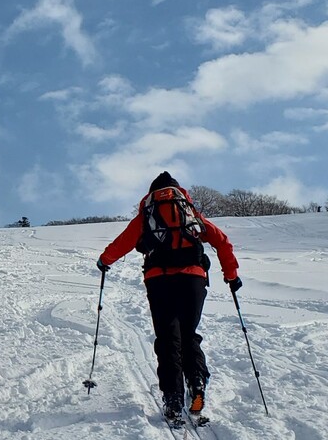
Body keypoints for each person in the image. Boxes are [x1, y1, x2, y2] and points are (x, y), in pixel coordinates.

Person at [96, 171, 241, 422]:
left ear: (152, 193)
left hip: (159, 279)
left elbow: (124, 242)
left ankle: (173, 396)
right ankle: (196, 382)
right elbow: (222, 241)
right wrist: (231, 274)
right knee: (188, 334)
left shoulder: (147, 215)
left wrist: (104, 260)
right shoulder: (190, 212)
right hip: (193, 278)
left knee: (167, 337)